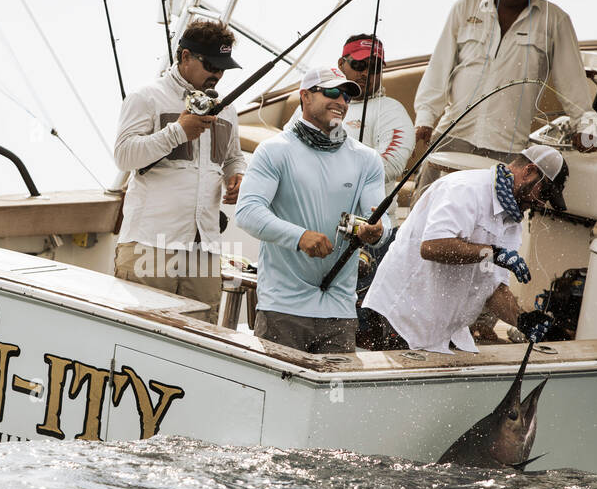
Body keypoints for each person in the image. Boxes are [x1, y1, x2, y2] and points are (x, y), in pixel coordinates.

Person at [409, 0, 597, 176]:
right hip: (452, 136)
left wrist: (587, 126)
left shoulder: (556, 20)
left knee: (492, 213)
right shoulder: (464, 9)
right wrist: (425, 118)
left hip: (507, 148)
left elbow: (573, 86)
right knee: (428, 206)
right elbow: (438, 69)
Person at [236, 67, 389, 354]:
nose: (341, 101)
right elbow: (247, 212)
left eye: (346, 96)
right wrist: (300, 236)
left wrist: (377, 232)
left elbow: (381, 222)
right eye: (331, 92)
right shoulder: (274, 150)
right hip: (282, 307)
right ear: (304, 96)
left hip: (340, 311)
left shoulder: (367, 159)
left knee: (334, 399)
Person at [361, 145, 568, 354]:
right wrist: (493, 253)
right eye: (544, 192)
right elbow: (432, 246)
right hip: (402, 318)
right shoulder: (465, 189)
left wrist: (522, 320)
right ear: (529, 171)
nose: (542, 202)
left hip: (443, 331)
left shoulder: (513, 222)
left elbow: (493, 287)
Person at [112, 19, 247, 320]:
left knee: (201, 339)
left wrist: (236, 176)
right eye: (211, 64)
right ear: (185, 57)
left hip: (205, 249)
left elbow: (232, 158)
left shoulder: (228, 109)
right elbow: (123, 156)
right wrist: (177, 131)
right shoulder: (146, 97)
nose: (218, 74)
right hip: (150, 243)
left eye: (224, 66)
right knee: (139, 337)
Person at [337, 34, 415, 190]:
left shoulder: (392, 110)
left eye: (374, 68)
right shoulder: (316, 101)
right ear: (341, 64)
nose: (366, 73)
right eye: (359, 64)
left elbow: (390, 165)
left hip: (368, 213)